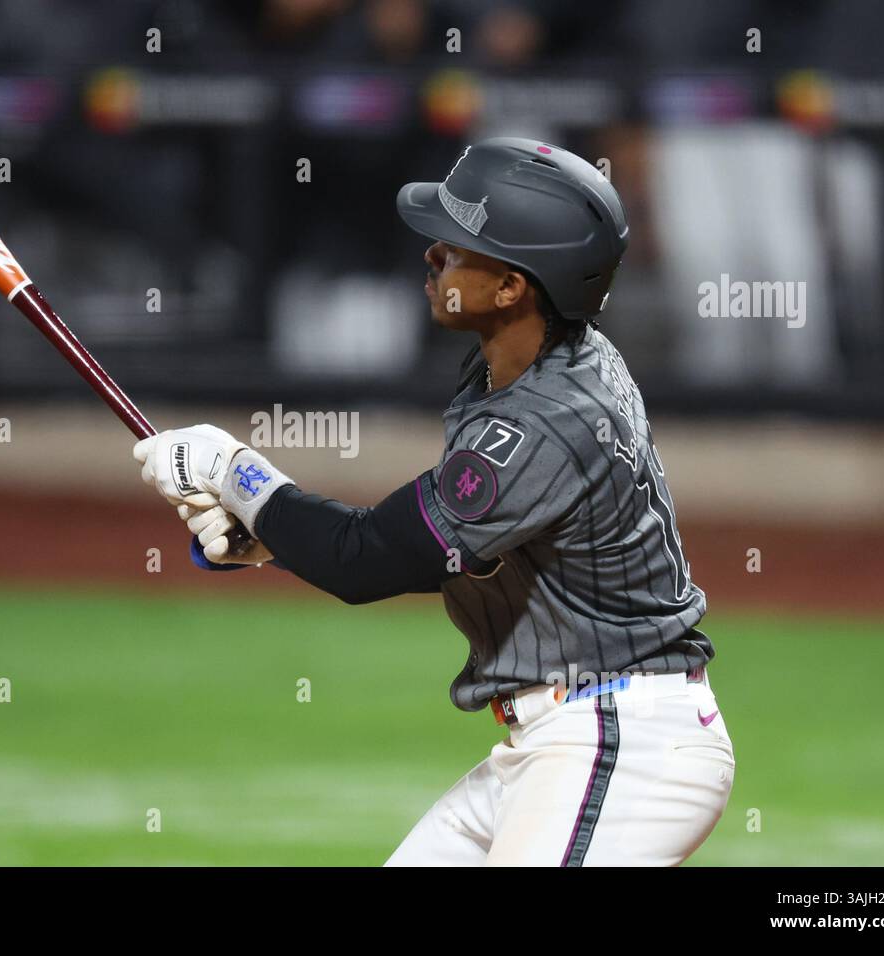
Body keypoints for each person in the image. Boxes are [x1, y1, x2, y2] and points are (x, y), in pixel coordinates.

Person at [133, 138, 734, 866]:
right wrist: (271, 540)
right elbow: (449, 546)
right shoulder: (529, 365)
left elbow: (367, 561)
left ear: (512, 287)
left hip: (620, 744)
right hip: (568, 737)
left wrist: (236, 472)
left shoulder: (543, 419)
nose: (432, 256)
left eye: (456, 248)